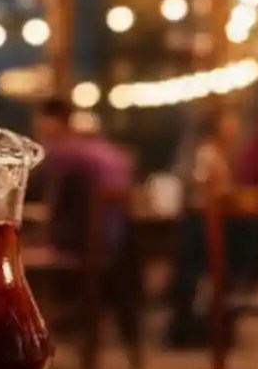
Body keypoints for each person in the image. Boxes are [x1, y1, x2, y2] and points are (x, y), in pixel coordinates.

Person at [30, 98, 139, 351]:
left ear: (52, 122)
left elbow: (34, 187)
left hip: (85, 247)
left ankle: (29, 341)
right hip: (120, 246)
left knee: (13, 260)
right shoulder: (105, 149)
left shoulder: (65, 152)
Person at [166, 107, 241, 347]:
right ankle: (194, 330)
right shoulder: (207, 152)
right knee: (199, 274)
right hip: (202, 221)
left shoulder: (220, 152)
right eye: (230, 121)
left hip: (212, 219)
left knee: (215, 273)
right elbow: (202, 184)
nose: (234, 127)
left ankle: (211, 328)